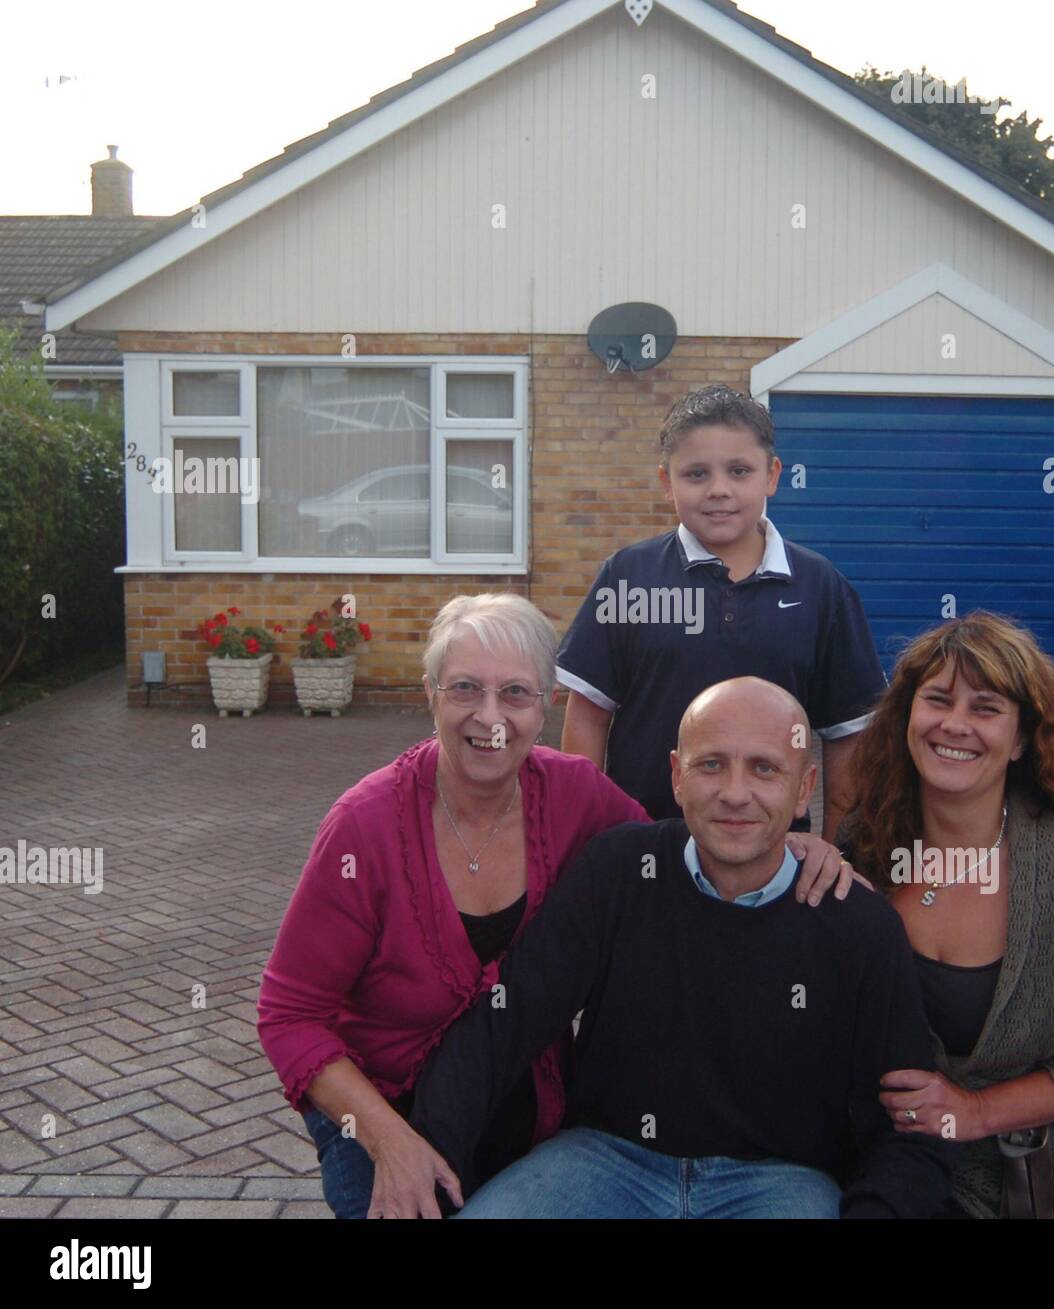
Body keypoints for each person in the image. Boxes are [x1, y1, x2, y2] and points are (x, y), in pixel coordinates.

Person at [257, 595, 854, 1219]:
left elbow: (679, 852)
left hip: (523, 1093)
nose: (490, 716)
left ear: (547, 704)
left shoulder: (575, 796)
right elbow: (289, 1016)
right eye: (465, 688)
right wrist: (389, 1140)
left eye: (516, 693)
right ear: (430, 693)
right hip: (381, 1104)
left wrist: (790, 845)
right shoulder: (365, 826)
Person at [405, 677, 956, 1219]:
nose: (735, 793)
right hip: (604, 1159)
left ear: (803, 788)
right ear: (676, 776)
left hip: (781, 1180)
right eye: (710, 764)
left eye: (765, 769)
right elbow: (505, 1023)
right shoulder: (618, 872)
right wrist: (426, 1158)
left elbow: (909, 1122)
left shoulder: (858, 924)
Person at [837, 611, 1054, 1219]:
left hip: (1036, 1188)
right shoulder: (867, 846)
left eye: (985, 709)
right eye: (937, 700)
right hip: (893, 1174)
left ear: (1021, 740)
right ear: (907, 718)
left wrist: (975, 1110)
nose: (955, 724)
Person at [557, 384, 885, 838]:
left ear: (771, 475)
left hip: (773, 852)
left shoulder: (821, 588)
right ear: (666, 482)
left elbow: (847, 733)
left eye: (739, 471)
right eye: (696, 474)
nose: (719, 490)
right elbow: (588, 716)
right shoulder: (627, 577)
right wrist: (585, 834)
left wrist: (834, 848)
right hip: (642, 843)